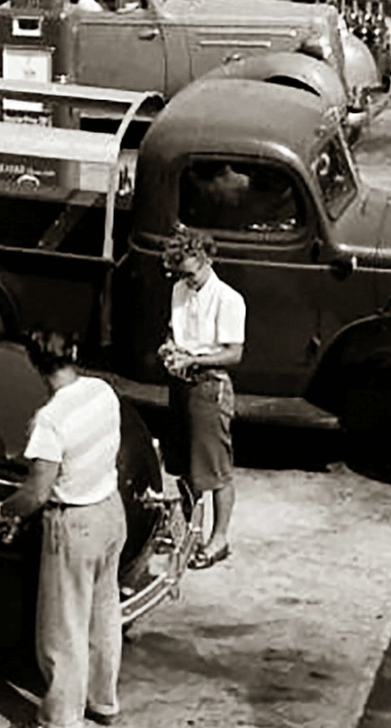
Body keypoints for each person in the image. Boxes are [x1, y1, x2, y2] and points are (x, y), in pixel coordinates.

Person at [0, 331, 125, 728]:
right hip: (110, 512)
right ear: (74, 353)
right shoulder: (103, 391)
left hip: (75, 526)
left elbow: (35, 494)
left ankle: (60, 720)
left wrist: (3, 510)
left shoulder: (50, 421)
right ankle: (103, 703)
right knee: (103, 615)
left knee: (63, 631)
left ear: (35, 365)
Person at [159, 227, 246, 570]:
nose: (186, 280)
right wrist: (169, 346)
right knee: (182, 465)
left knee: (215, 470)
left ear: (207, 259)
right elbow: (174, 329)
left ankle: (219, 539)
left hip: (209, 386)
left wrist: (193, 360)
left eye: (191, 273)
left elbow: (233, 354)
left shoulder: (229, 300)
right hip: (180, 385)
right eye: (180, 274)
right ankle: (188, 531)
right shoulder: (179, 290)